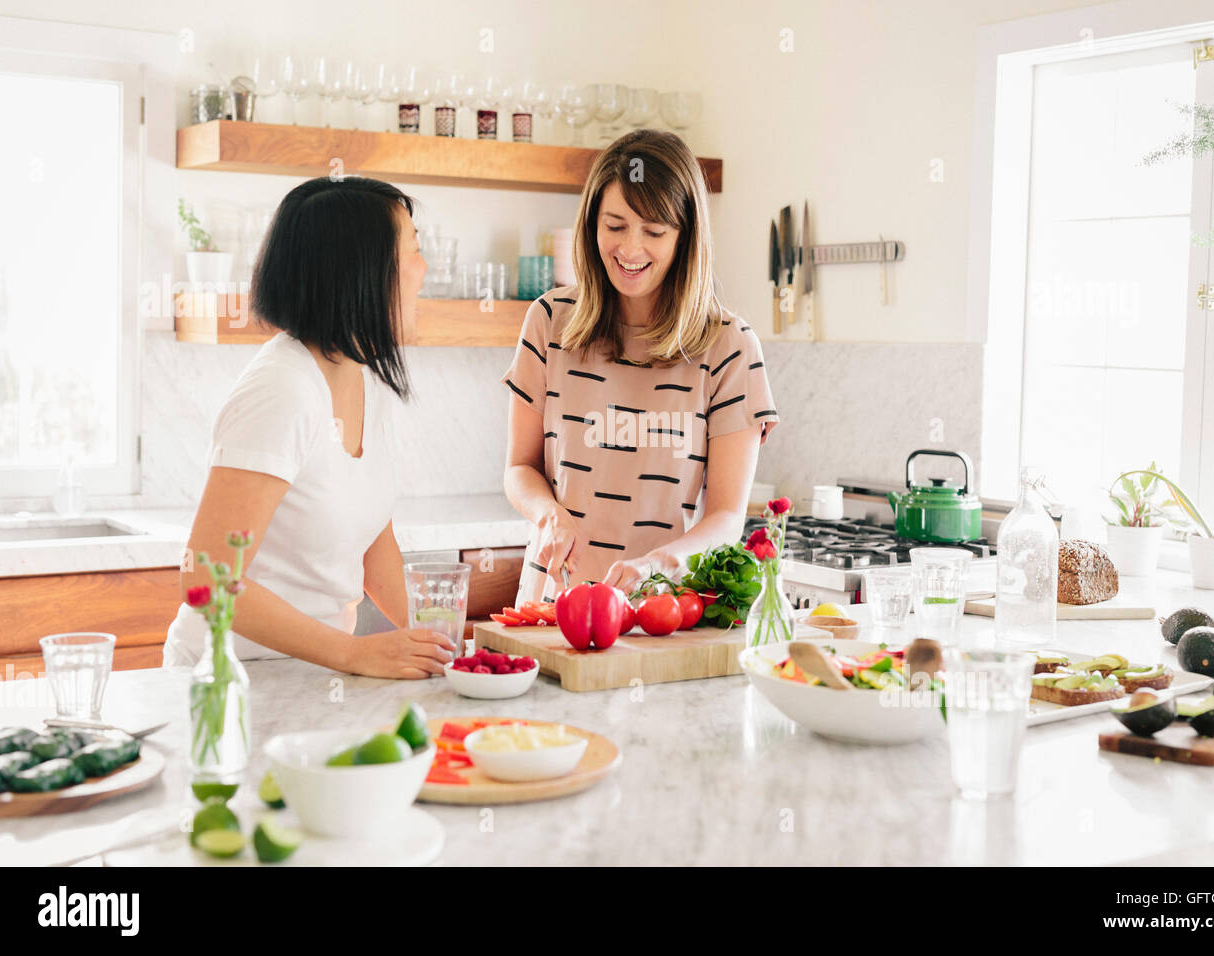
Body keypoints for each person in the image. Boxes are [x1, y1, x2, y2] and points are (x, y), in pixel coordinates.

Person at [162, 176, 454, 679]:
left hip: (311, 677)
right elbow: (205, 578)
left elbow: (373, 544)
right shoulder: (282, 388)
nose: (425, 270)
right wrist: (354, 654)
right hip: (231, 684)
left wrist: (451, 649)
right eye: (414, 251)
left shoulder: (366, 377)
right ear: (362, 270)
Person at [502, 129, 781, 604]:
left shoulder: (729, 346)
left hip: (665, 608)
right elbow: (519, 469)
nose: (630, 250)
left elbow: (727, 518)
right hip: (553, 602)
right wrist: (548, 515)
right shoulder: (549, 322)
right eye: (615, 226)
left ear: (686, 237)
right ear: (591, 225)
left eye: (654, 232)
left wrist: (656, 567)